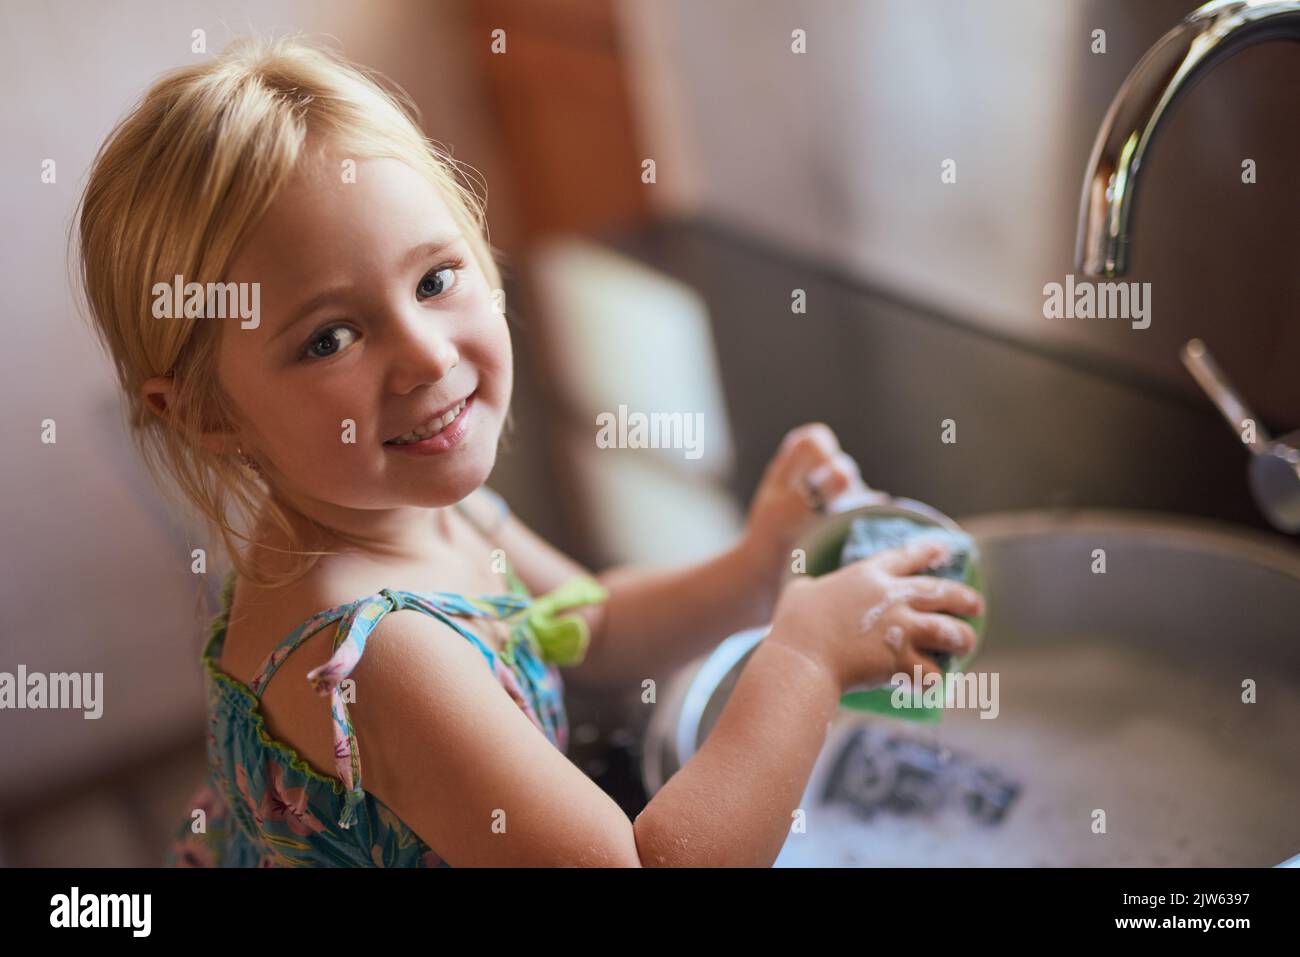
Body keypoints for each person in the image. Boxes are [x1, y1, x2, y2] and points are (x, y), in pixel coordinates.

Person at [74, 36, 982, 867]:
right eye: (329, 339)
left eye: (435, 278)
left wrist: (756, 565)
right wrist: (804, 660)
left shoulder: (412, 505)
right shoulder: (382, 657)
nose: (427, 354)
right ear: (206, 414)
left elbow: (590, 626)